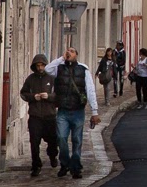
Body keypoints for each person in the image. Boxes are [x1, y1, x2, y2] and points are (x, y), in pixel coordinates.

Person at [45, 47, 99, 179]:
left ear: (77, 55)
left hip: (77, 111)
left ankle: (76, 167)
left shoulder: (83, 70)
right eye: (68, 50)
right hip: (63, 111)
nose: (69, 52)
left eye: (72, 51)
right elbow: (47, 69)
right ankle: (64, 163)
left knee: (77, 139)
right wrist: (61, 58)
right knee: (61, 138)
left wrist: (94, 111)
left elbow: (90, 90)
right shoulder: (59, 68)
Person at [19, 54, 58, 176]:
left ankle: (52, 156)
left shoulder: (52, 79)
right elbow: (23, 93)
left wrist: (49, 97)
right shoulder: (30, 79)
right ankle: (36, 165)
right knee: (34, 142)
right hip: (35, 116)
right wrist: (33, 97)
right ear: (35, 66)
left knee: (53, 141)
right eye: (38, 65)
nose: (40, 67)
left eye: (42, 65)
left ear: (45, 65)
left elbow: (59, 96)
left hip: (49, 116)